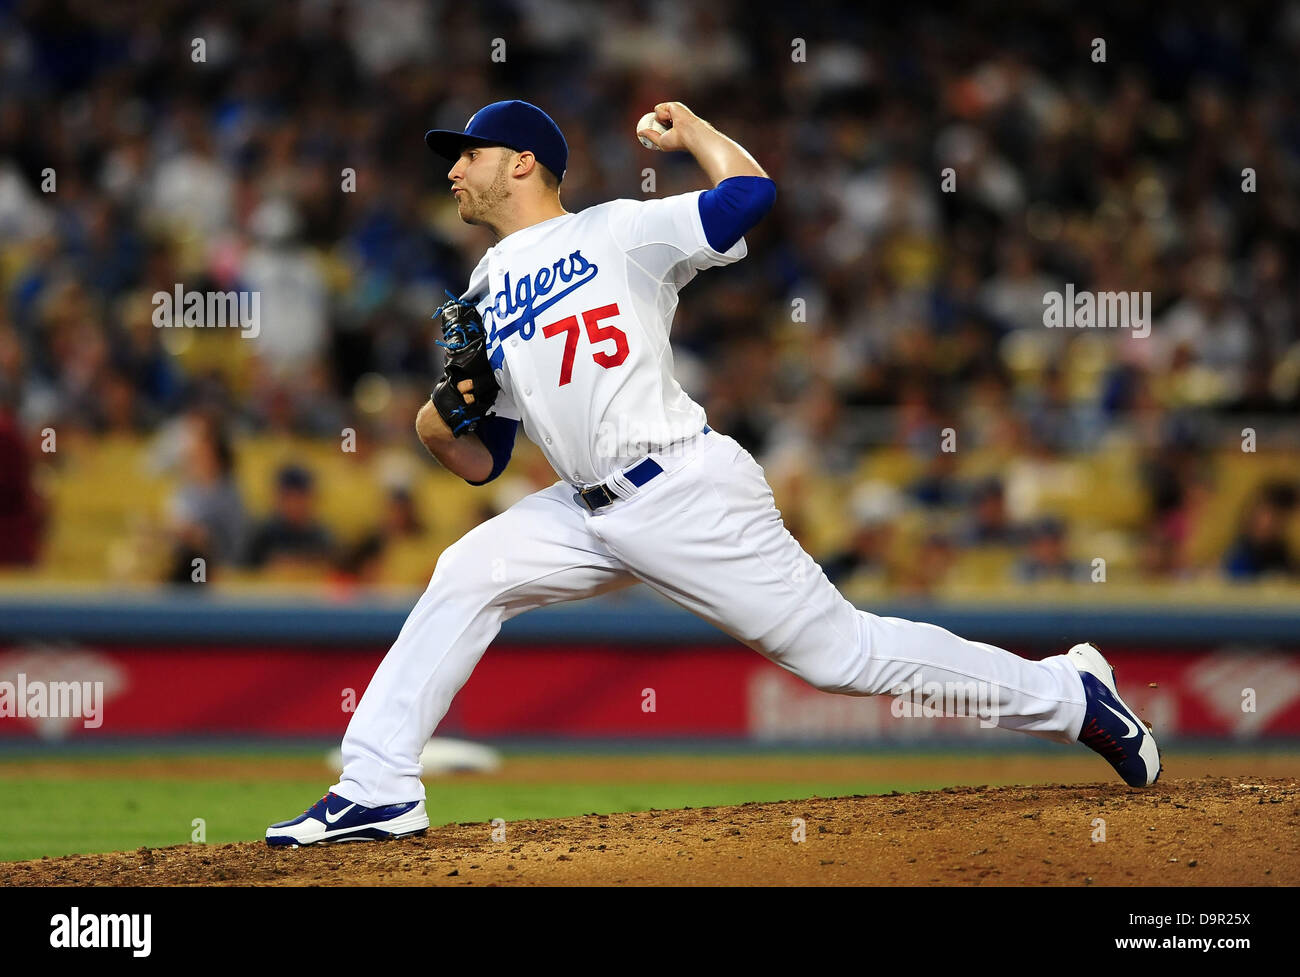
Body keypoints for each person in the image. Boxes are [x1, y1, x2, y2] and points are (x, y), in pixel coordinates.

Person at [267, 100, 1160, 846]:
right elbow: (478, 459)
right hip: (582, 508)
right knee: (466, 571)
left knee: (842, 655)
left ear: (526, 163)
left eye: (470, 154)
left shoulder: (616, 232)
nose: (454, 170)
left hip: (684, 491)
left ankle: (1069, 694)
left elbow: (747, 195)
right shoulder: (486, 285)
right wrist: (436, 414)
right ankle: (379, 784)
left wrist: (691, 124)